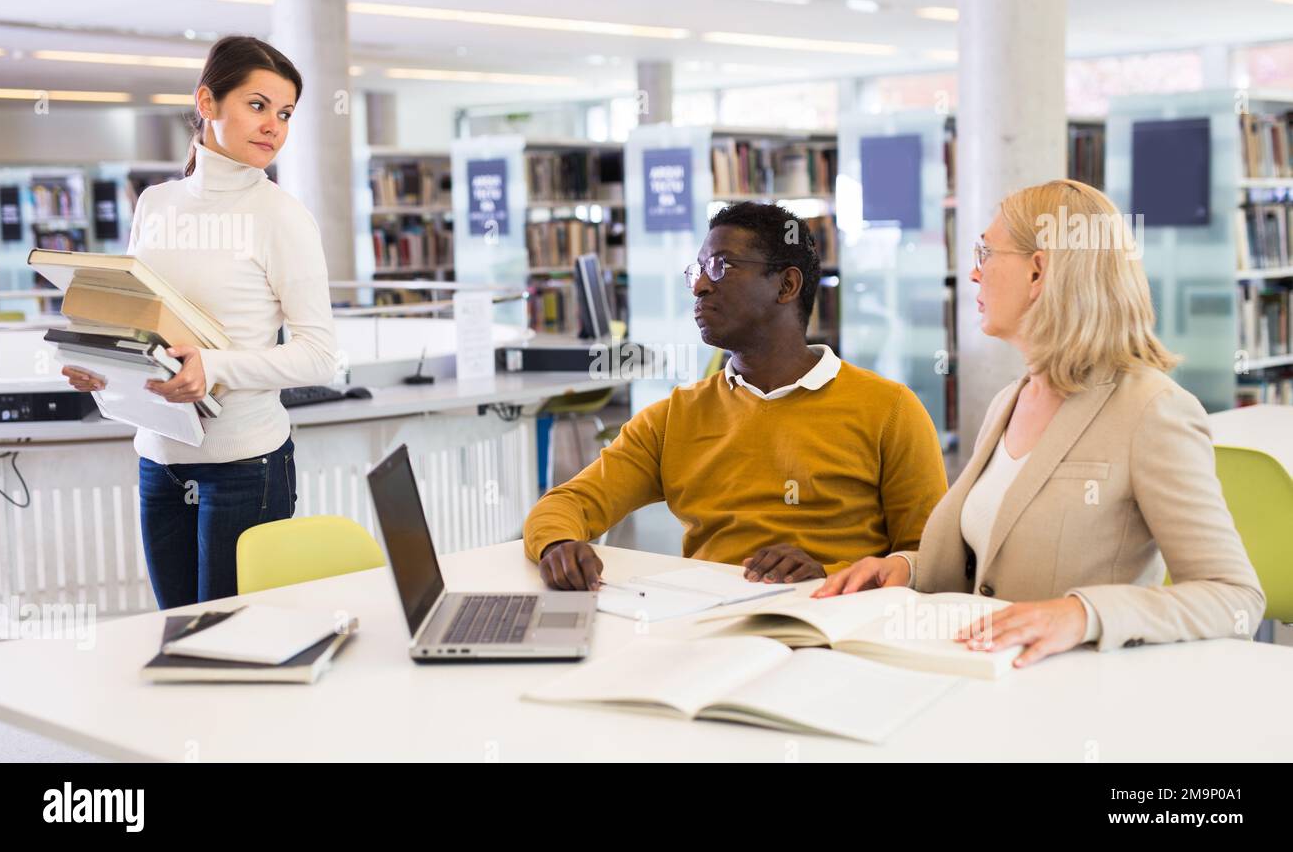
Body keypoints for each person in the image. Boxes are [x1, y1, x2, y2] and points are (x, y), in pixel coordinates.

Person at [815, 179, 1265, 667]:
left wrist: (1080, 615)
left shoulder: (1153, 410)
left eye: (985, 252)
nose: (972, 272)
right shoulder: (1010, 400)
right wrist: (906, 569)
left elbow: (1234, 597)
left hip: (1075, 697)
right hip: (977, 672)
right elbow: (990, 561)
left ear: (1038, 271)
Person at [525, 201, 947, 591]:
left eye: (722, 266)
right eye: (699, 270)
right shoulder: (675, 417)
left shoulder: (889, 409)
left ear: (786, 285)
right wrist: (558, 544)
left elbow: (930, 559)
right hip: (710, 627)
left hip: (837, 626)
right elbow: (569, 502)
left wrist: (827, 574)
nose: (701, 286)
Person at [61, 36, 337, 608]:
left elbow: (319, 355)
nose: (273, 127)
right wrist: (103, 363)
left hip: (245, 466)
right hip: (158, 461)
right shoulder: (155, 205)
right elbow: (141, 321)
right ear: (207, 103)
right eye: (257, 106)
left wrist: (213, 366)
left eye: (284, 114)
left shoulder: (281, 217)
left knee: (234, 652)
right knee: (179, 638)